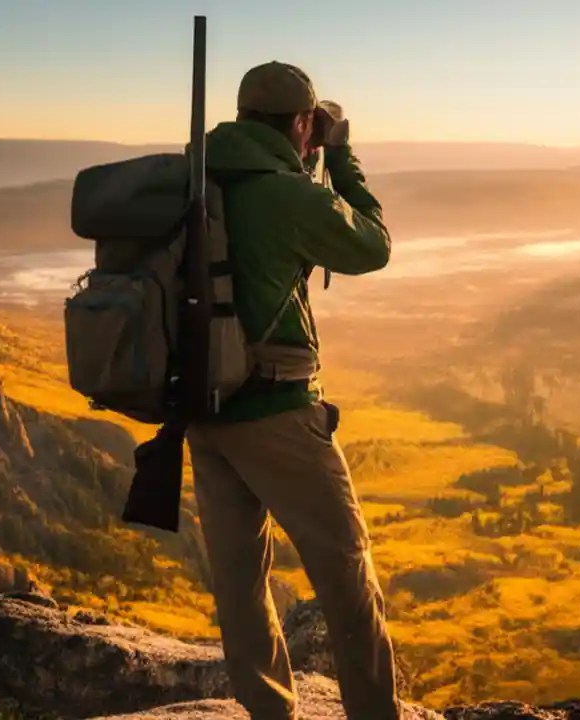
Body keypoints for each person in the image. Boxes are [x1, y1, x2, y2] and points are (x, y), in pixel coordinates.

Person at [188, 61, 397, 720]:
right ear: (304, 123)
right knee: (347, 574)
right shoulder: (289, 194)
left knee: (242, 588)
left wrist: (308, 157)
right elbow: (372, 244)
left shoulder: (199, 174)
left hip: (204, 408)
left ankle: (271, 714)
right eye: (314, 125)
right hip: (278, 412)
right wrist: (342, 158)